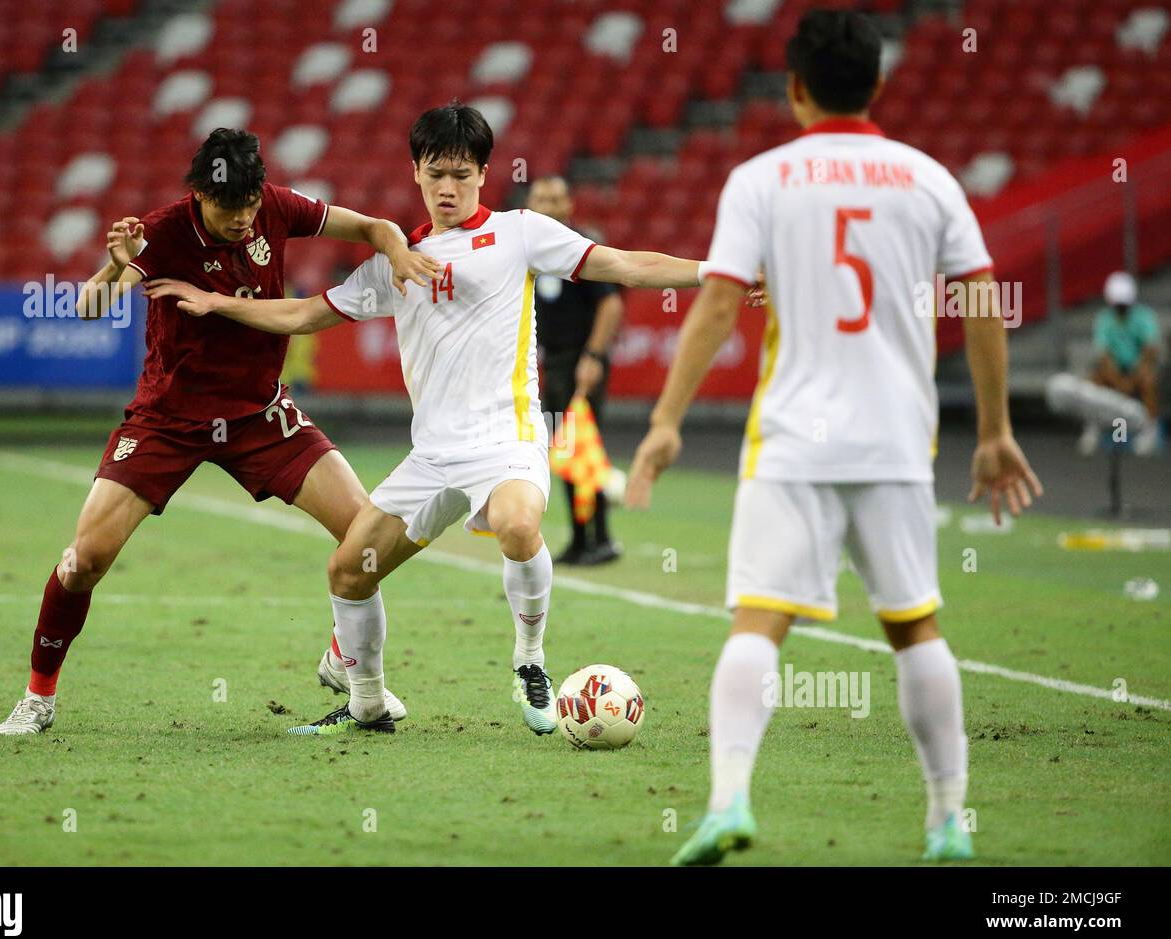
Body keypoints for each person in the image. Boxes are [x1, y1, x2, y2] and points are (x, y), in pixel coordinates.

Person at [626, 9, 1042, 864]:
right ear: (880, 85)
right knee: (915, 627)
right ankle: (948, 822)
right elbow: (981, 297)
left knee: (757, 622)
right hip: (896, 440)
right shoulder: (928, 180)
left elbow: (713, 303)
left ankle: (729, 803)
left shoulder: (761, 179)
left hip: (792, 440)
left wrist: (667, 422)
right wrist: (994, 431)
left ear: (794, 88)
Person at [145, 102, 705, 738]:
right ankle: (367, 703)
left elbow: (626, 264)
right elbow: (303, 316)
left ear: (484, 174)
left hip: (508, 441)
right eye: (436, 173)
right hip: (433, 456)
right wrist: (217, 302)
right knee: (348, 570)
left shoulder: (522, 232)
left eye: (462, 175)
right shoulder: (396, 262)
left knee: (519, 527)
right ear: (415, 172)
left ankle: (529, 661)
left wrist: (717, 273)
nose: (448, 187)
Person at [0, 128, 439, 735]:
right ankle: (38, 696)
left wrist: (396, 250)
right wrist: (115, 266)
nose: (245, 219)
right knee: (83, 561)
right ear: (201, 194)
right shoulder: (165, 230)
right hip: (168, 421)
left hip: (260, 415)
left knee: (367, 539)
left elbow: (373, 227)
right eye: (232, 210)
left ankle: (343, 656)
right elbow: (89, 308)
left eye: (252, 207)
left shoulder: (277, 205)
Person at [527, 175, 625, 565]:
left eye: (555, 199)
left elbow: (611, 303)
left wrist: (595, 356)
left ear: (569, 206)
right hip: (553, 363)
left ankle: (598, 538)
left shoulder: (580, 248)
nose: (549, 207)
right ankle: (584, 538)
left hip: (579, 361)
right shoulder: (531, 250)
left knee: (582, 448)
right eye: (541, 199)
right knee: (565, 449)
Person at [1079, 271, 1162, 456]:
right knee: (1093, 380)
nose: (1121, 309)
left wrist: (1133, 378)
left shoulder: (1144, 317)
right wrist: (1118, 380)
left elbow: (1149, 351)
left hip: (1137, 369)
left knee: (1148, 378)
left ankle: (1149, 430)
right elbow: (1103, 355)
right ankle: (1093, 428)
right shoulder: (1104, 319)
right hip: (1114, 370)